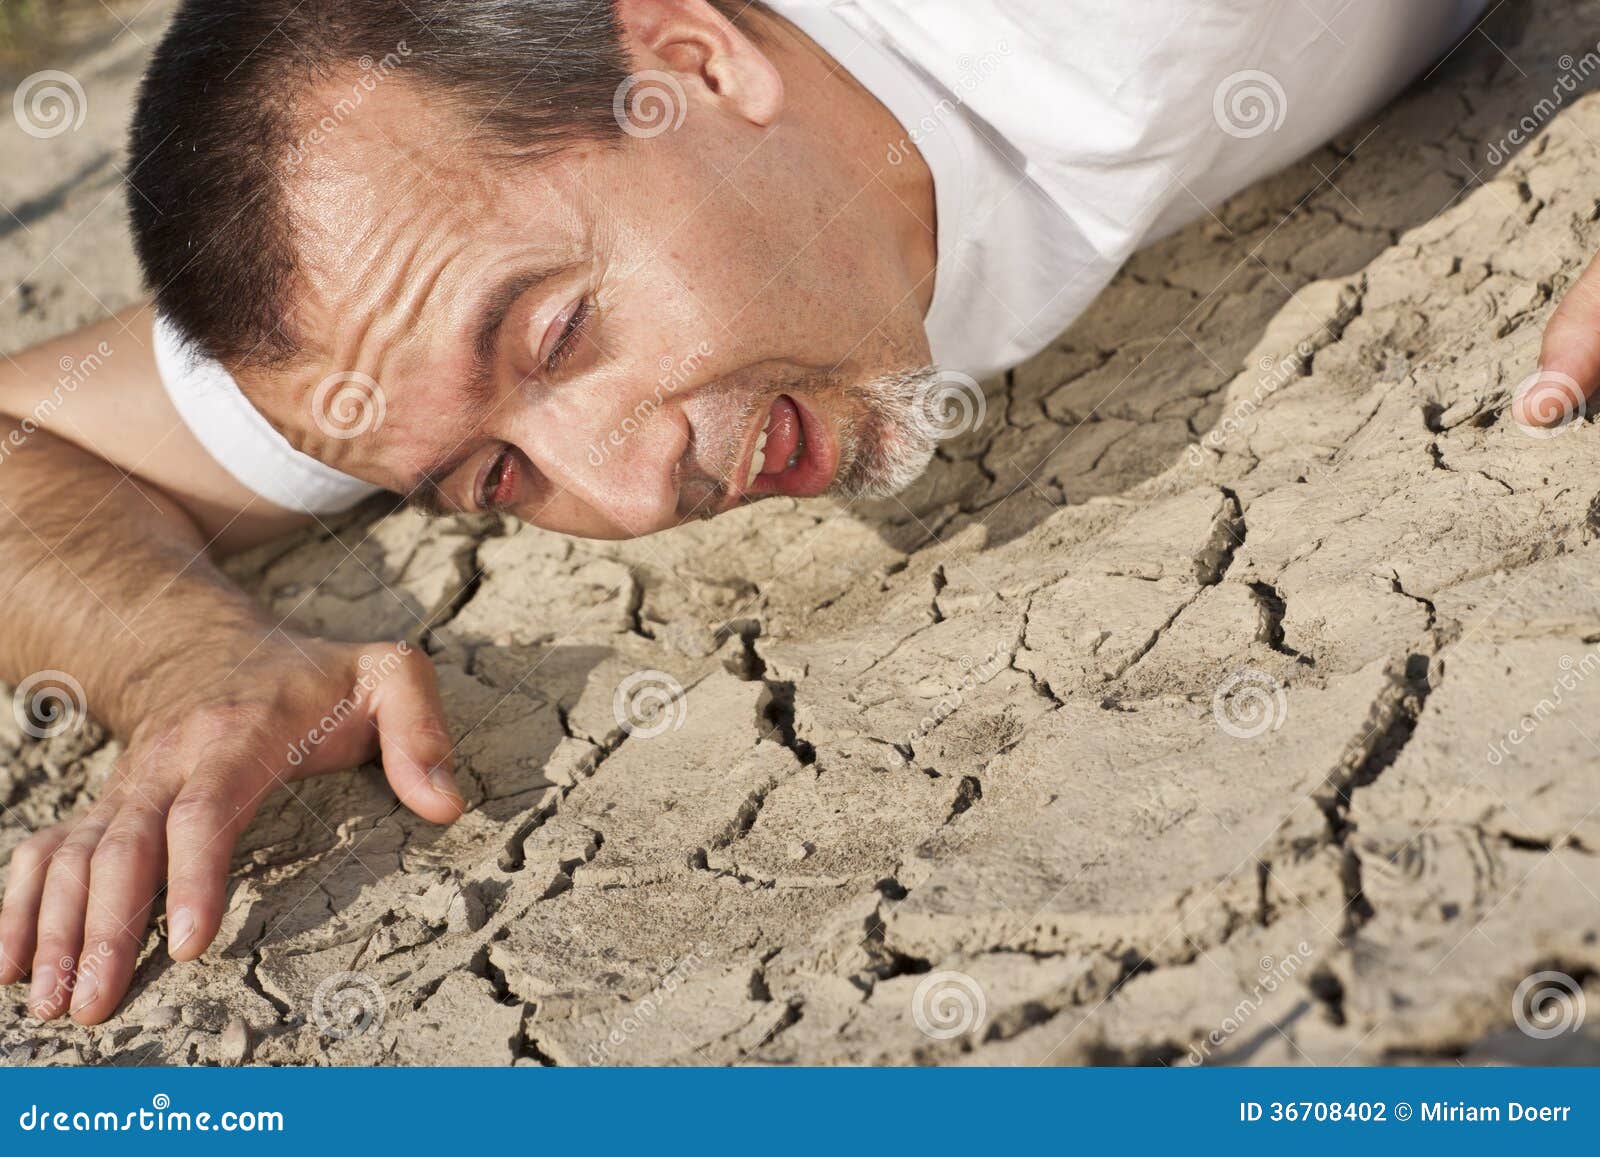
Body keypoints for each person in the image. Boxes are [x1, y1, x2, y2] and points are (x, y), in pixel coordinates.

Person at [3, 0, 1583, 1025]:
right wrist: (182, 654)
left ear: (691, 64)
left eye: (555, 335)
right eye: (496, 480)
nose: (630, 488)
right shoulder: (405, 259)